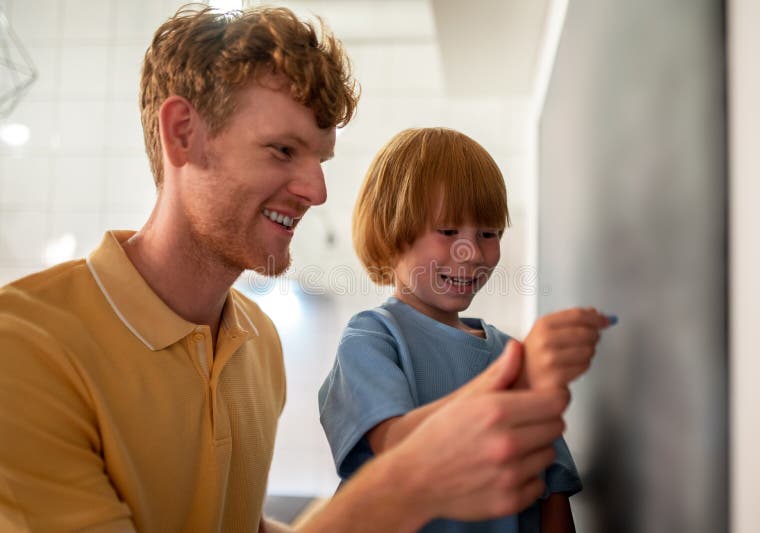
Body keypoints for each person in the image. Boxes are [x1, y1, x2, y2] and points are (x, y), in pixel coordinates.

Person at [0, 5, 573, 533]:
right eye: (282, 150)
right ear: (183, 134)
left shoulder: (258, 343)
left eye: (319, 158)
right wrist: (409, 483)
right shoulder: (25, 347)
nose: (317, 190)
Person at [319, 128, 613, 532]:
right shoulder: (373, 338)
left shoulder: (512, 352)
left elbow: (553, 490)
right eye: (448, 231)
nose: (471, 253)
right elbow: (398, 451)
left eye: (488, 234)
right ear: (391, 230)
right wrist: (511, 377)